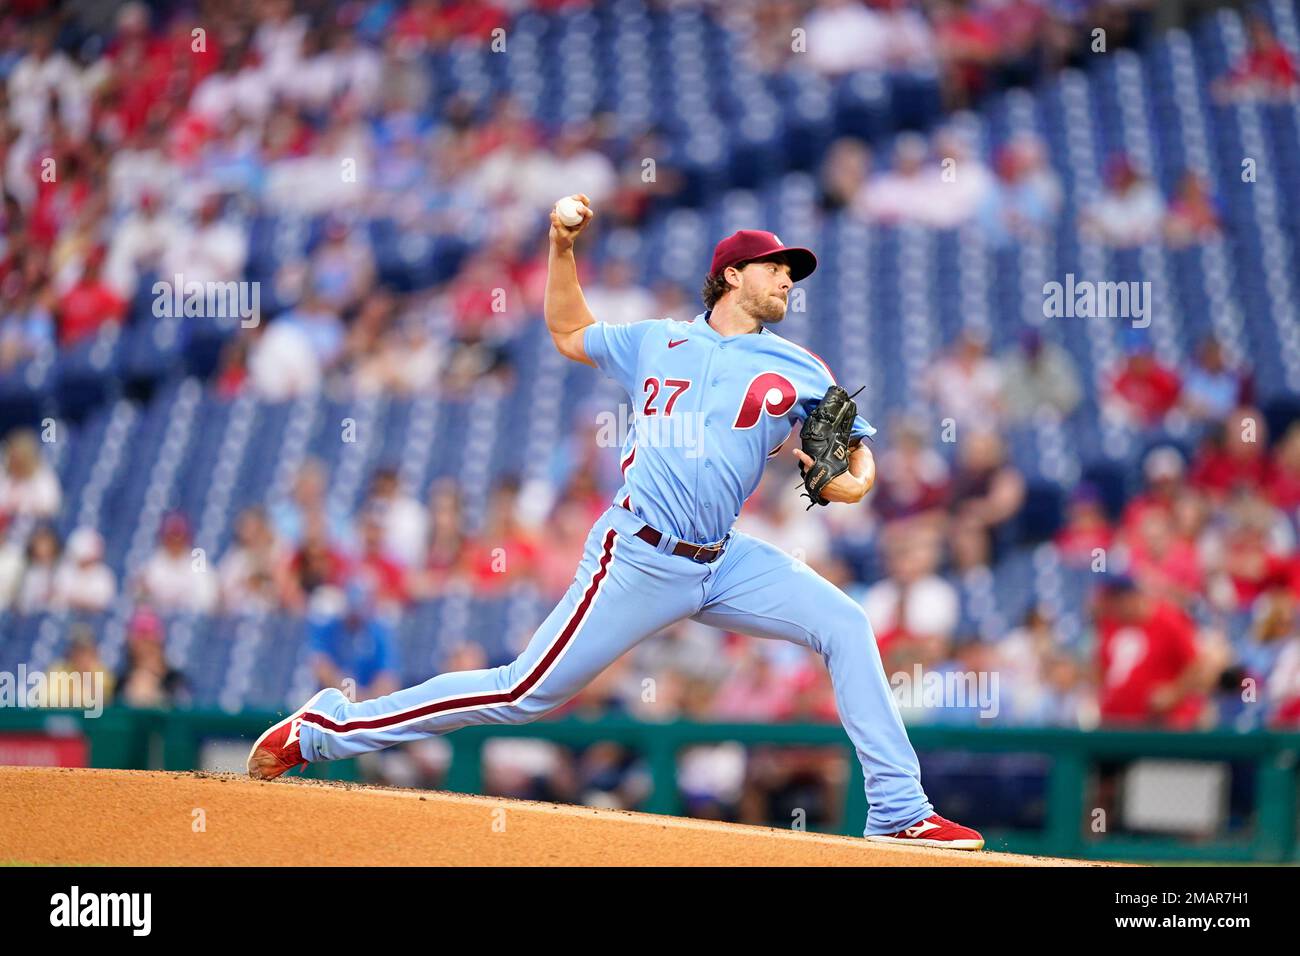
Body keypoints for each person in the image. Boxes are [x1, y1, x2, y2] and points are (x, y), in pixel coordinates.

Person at [249, 200, 985, 849]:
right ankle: (325, 727)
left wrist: (847, 483)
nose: (788, 280)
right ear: (731, 275)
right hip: (638, 555)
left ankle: (897, 809)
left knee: (846, 624)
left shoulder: (800, 366)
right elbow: (570, 331)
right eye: (775, 268)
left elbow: (859, 461)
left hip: (723, 561)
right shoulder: (655, 339)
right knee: (520, 692)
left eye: (792, 272)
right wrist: (562, 248)